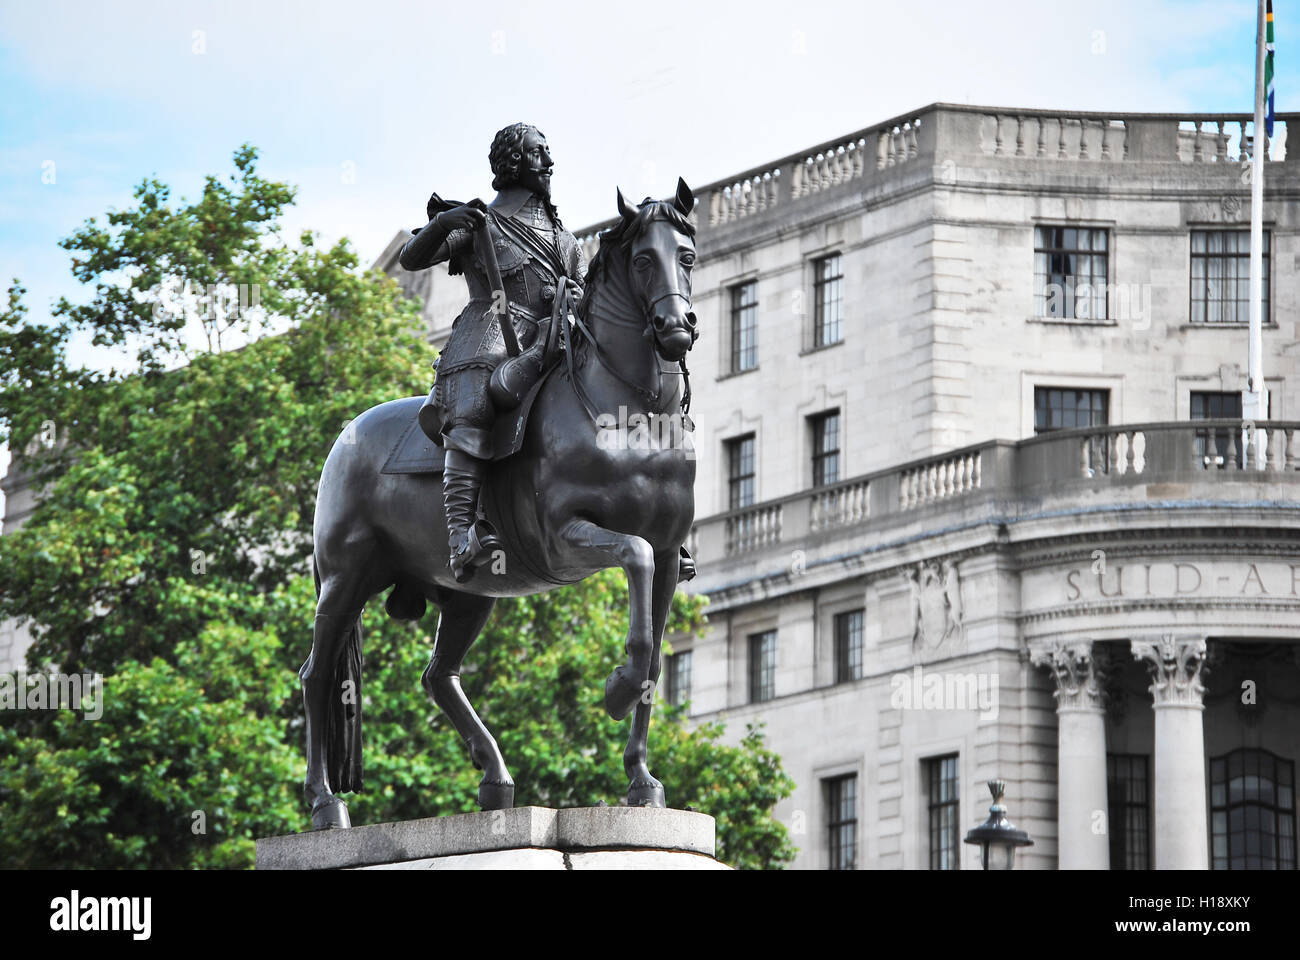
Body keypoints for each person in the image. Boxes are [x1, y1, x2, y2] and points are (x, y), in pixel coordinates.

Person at [400, 123, 586, 582]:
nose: (549, 162)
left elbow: (584, 291)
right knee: (478, 396)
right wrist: (443, 223)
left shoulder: (566, 240)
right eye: (539, 153)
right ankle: (461, 535)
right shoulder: (480, 221)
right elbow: (411, 258)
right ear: (514, 162)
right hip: (490, 334)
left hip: (552, 336)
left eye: (548, 152)